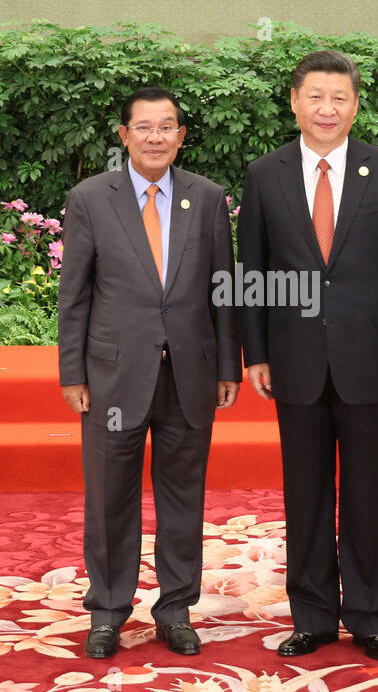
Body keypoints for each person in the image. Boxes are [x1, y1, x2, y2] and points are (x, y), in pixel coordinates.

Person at [237, 50, 378, 662]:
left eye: (339, 98)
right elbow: (253, 272)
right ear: (294, 101)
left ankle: (372, 616)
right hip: (294, 359)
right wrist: (256, 351)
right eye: (315, 96)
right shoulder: (264, 175)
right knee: (307, 494)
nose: (327, 108)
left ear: (354, 105)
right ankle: (313, 617)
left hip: (372, 358)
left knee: (370, 494)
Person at [58, 87, 241, 659]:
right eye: (145, 127)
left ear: (181, 136)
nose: (156, 137)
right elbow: (76, 294)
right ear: (125, 135)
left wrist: (227, 362)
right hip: (114, 375)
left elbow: (223, 290)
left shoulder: (207, 199)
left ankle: (176, 610)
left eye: (167, 127)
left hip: (191, 373)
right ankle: (108, 611)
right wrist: (72, 373)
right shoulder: (91, 199)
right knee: (110, 496)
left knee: (182, 497)